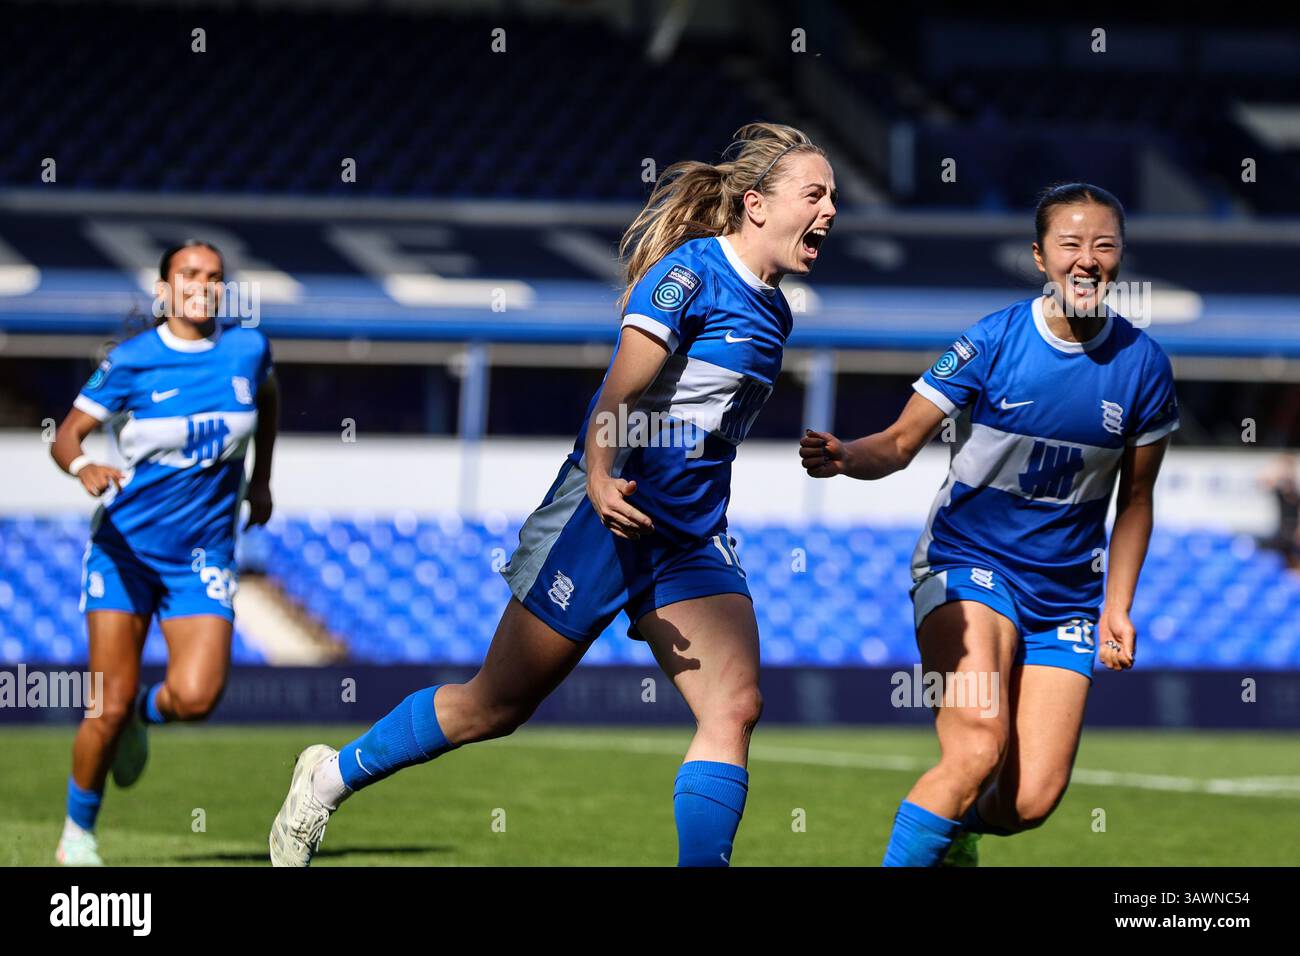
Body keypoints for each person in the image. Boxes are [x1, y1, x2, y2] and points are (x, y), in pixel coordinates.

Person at [270, 122, 837, 867]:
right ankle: (327, 779)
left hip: (689, 537)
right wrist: (601, 477)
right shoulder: (690, 276)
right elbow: (620, 389)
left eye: (834, 196)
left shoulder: (776, 311)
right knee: (492, 708)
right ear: (757, 205)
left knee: (735, 707)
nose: (830, 210)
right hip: (602, 518)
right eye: (815, 194)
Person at [800, 182, 1178, 866]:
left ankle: (955, 827)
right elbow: (899, 442)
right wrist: (847, 455)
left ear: (1120, 258)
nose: (1087, 260)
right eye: (1070, 244)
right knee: (978, 742)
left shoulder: (1144, 366)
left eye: (1104, 246)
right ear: (1040, 257)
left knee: (1027, 802)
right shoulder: (991, 343)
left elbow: (1138, 499)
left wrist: (1118, 606)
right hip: (968, 565)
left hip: (1065, 595)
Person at [50, 240, 277, 865]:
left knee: (198, 697)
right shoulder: (132, 362)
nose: (202, 285)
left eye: (213, 276)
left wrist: (260, 480)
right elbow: (66, 435)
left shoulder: (248, 349)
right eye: (188, 275)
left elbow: (270, 401)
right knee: (105, 704)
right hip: (124, 552)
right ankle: (78, 837)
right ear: (163, 289)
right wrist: (82, 467)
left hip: (201, 554)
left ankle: (142, 718)